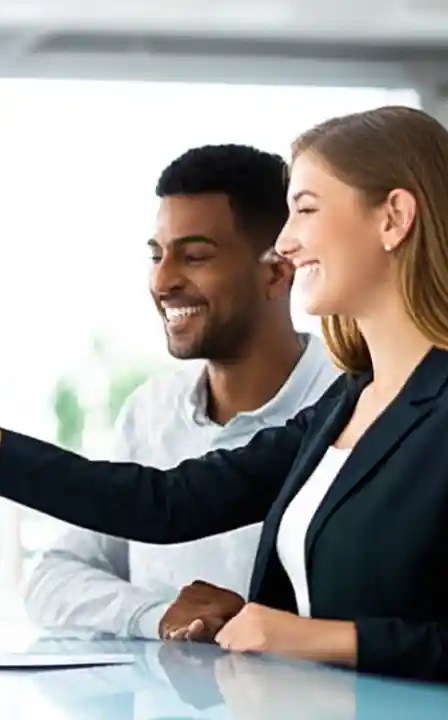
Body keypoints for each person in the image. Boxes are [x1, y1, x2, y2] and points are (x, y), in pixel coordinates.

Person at [0, 106, 448, 697]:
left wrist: (314, 637)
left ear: (393, 218)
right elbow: (165, 503)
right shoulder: (349, 405)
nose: (288, 241)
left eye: (305, 209)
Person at [23, 144, 339, 641]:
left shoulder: (349, 401)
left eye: (194, 257)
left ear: (276, 272)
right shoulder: (149, 413)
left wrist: (272, 626)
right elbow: (53, 578)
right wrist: (161, 614)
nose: (163, 280)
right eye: (156, 255)